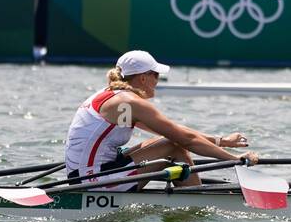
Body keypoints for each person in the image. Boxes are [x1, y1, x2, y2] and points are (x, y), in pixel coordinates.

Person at [64, 50, 257, 190]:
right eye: (155, 75)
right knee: (173, 147)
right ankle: (196, 202)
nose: (158, 80)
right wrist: (237, 159)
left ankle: (192, 194)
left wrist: (222, 141)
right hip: (93, 182)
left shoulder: (112, 96)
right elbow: (185, 140)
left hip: (85, 176)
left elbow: (175, 131)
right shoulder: (130, 102)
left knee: (170, 143)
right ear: (142, 78)